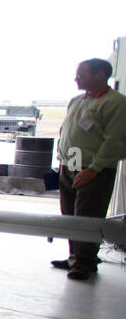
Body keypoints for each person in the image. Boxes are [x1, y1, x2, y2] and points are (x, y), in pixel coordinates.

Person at [53, 58, 125, 280]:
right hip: (69, 165)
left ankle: (86, 261)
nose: (76, 79)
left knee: (88, 216)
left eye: (81, 75)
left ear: (100, 75)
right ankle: (75, 256)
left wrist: (94, 169)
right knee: (70, 215)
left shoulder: (115, 103)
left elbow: (115, 141)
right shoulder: (77, 101)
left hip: (92, 170)